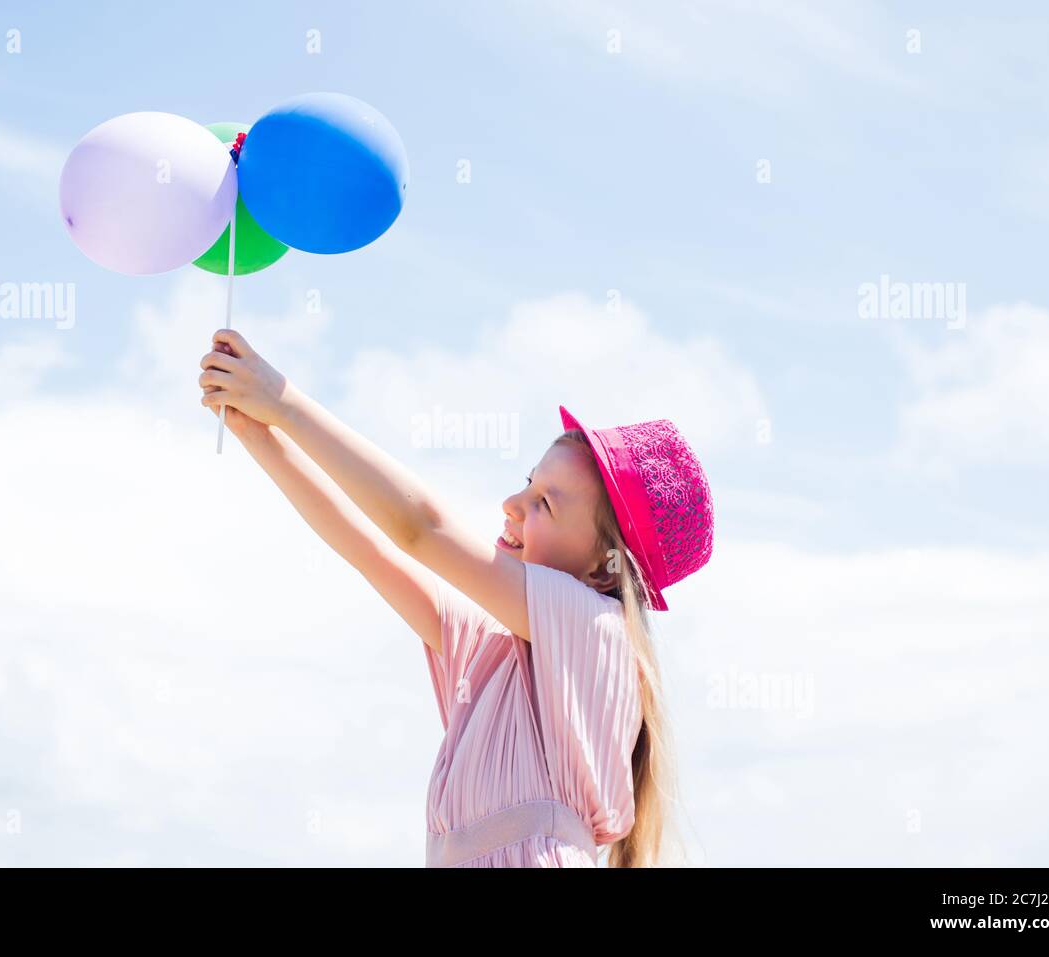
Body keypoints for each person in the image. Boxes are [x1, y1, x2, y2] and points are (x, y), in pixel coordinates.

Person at [198, 328, 715, 867]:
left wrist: (283, 402)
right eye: (527, 482)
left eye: (545, 505)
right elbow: (372, 548)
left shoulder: (597, 628)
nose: (512, 504)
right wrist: (257, 431)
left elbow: (419, 527)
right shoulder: (495, 647)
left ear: (604, 572)